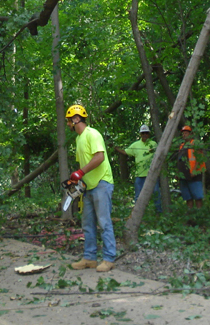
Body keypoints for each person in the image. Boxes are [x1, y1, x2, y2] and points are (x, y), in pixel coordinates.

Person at [64, 104, 117, 272]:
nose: (68, 124)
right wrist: (78, 181)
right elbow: (85, 165)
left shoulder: (92, 134)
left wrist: (81, 172)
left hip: (102, 183)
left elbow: (99, 157)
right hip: (88, 186)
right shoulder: (79, 139)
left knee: (104, 222)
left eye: (69, 120)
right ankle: (89, 258)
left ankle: (109, 259)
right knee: (87, 223)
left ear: (76, 118)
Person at [114, 124, 162, 214]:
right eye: (143, 133)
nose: (144, 135)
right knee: (138, 195)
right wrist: (116, 148)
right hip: (139, 175)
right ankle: (138, 214)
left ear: (149, 134)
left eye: (146, 133)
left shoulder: (153, 144)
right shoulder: (135, 145)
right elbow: (125, 151)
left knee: (156, 193)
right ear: (140, 134)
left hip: (152, 174)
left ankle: (158, 213)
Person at [173, 126, 205, 208]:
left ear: (191, 134)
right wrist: (178, 173)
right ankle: (190, 217)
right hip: (184, 175)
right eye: (183, 133)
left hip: (194, 175)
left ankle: (199, 215)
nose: (184, 135)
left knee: (198, 197)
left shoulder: (195, 143)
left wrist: (194, 170)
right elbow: (180, 161)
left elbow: (199, 158)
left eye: (186, 133)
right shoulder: (182, 146)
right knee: (188, 198)